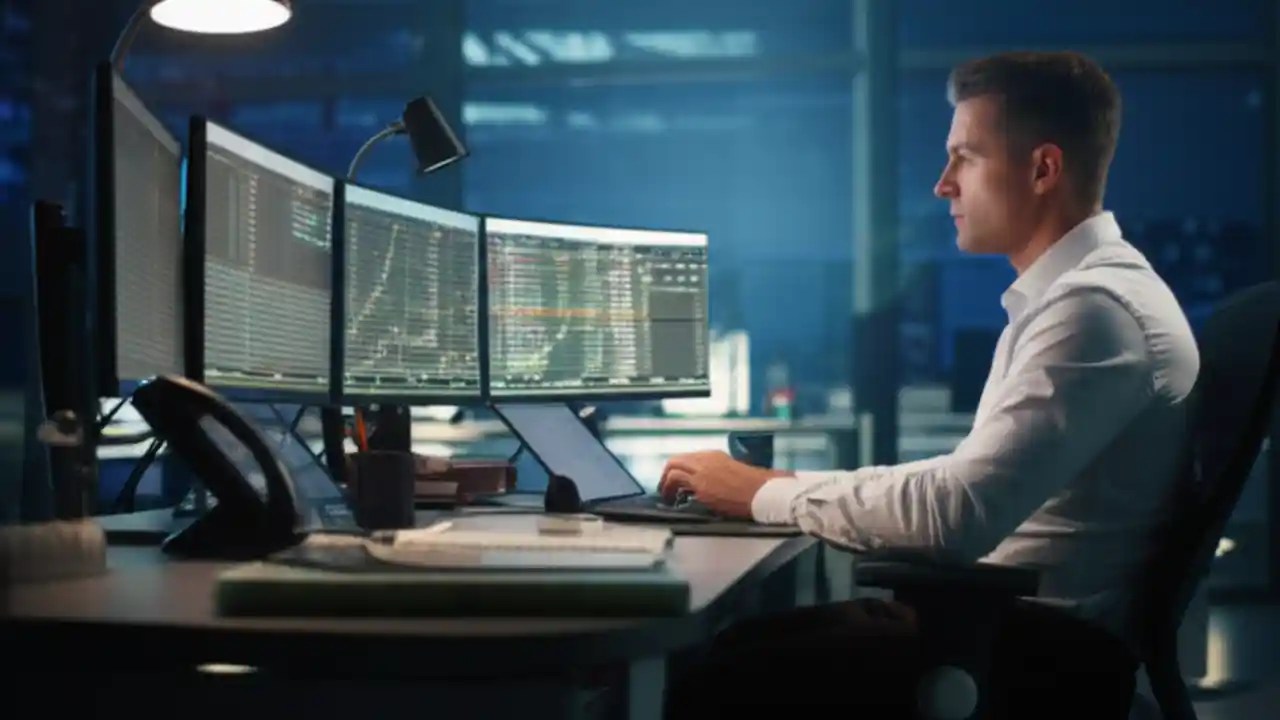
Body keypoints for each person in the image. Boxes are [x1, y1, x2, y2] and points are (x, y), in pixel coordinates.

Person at [660, 50, 1200, 718]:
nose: (944, 184)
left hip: (1029, 652)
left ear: (1043, 169)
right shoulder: (1076, 300)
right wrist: (782, 490)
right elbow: (964, 489)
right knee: (726, 646)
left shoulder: (1095, 312)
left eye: (965, 157)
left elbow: (955, 515)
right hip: (998, 621)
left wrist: (766, 494)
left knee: (710, 680)